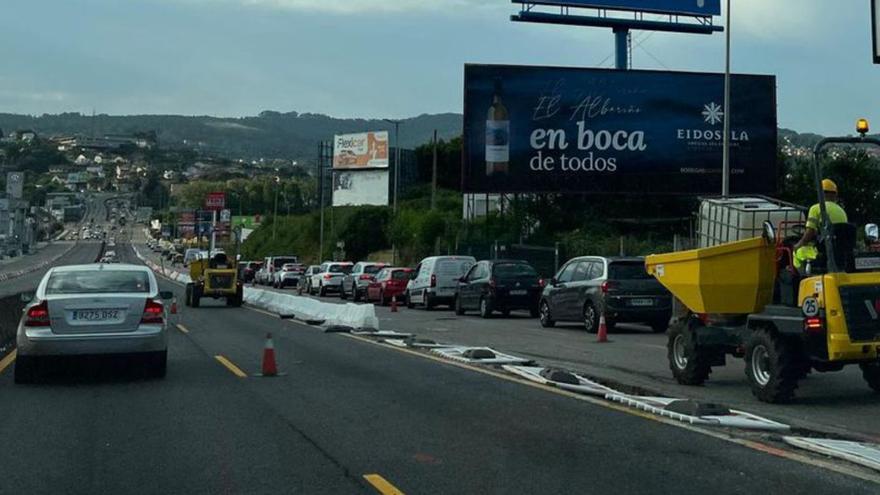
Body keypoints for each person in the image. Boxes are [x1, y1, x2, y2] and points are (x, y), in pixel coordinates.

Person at [793, 179, 848, 271]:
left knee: (798, 252)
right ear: (835, 194)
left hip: (824, 249)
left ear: (821, 193)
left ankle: (802, 275)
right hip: (839, 252)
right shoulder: (841, 211)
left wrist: (798, 244)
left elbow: (810, 232)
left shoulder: (815, 208)